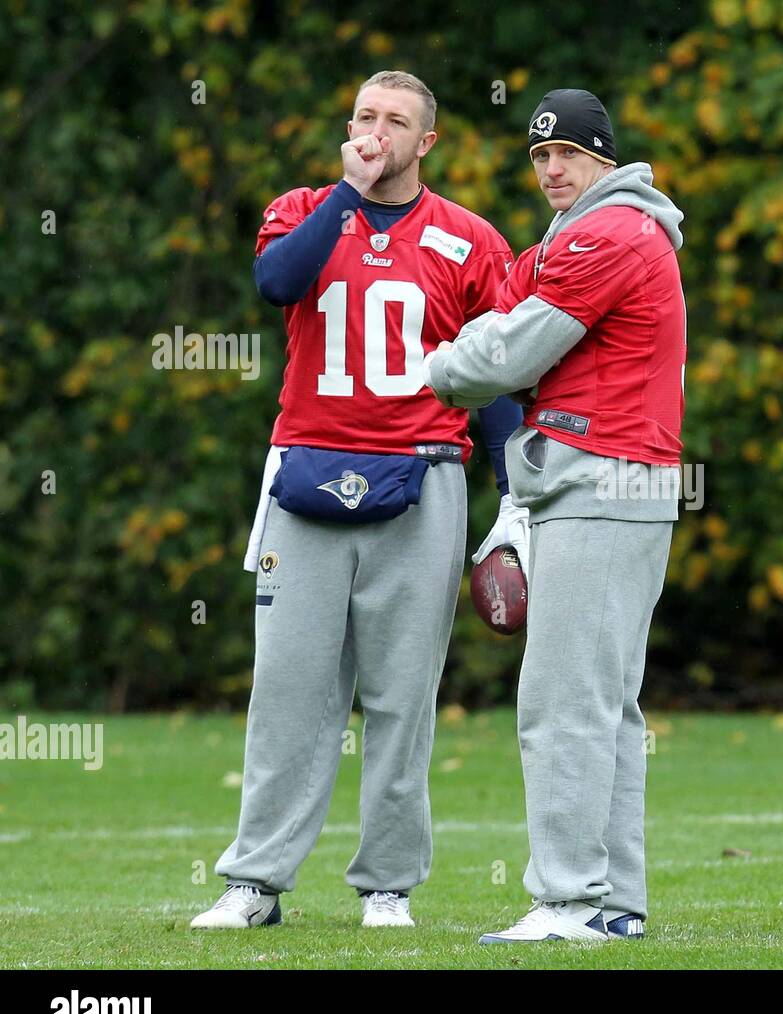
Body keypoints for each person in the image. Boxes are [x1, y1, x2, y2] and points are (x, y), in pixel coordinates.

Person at [191, 70, 526, 930]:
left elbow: (496, 381)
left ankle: (388, 883)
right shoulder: (303, 208)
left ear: (427, 142)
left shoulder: (470, 240)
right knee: (288, 689)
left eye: (396, 121)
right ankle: (256, 881)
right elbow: (277, 282)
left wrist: (514, 499)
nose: (377, 132)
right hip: (308, 470)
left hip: (422, 473)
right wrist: (347, 193)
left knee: (401, 696)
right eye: (365, 117)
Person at [423, 88, 686, 943]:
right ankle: (612, 904)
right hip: (609, 481)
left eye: (568, 152)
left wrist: (438, 367)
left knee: (564, 699)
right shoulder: (581, 234)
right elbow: (506, 314)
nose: (551, 168)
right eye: (540, 155)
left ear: (604, 157)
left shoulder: (609, 232)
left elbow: (507, 350)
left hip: (605, 479)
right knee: (604, 703)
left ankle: (570, 899)